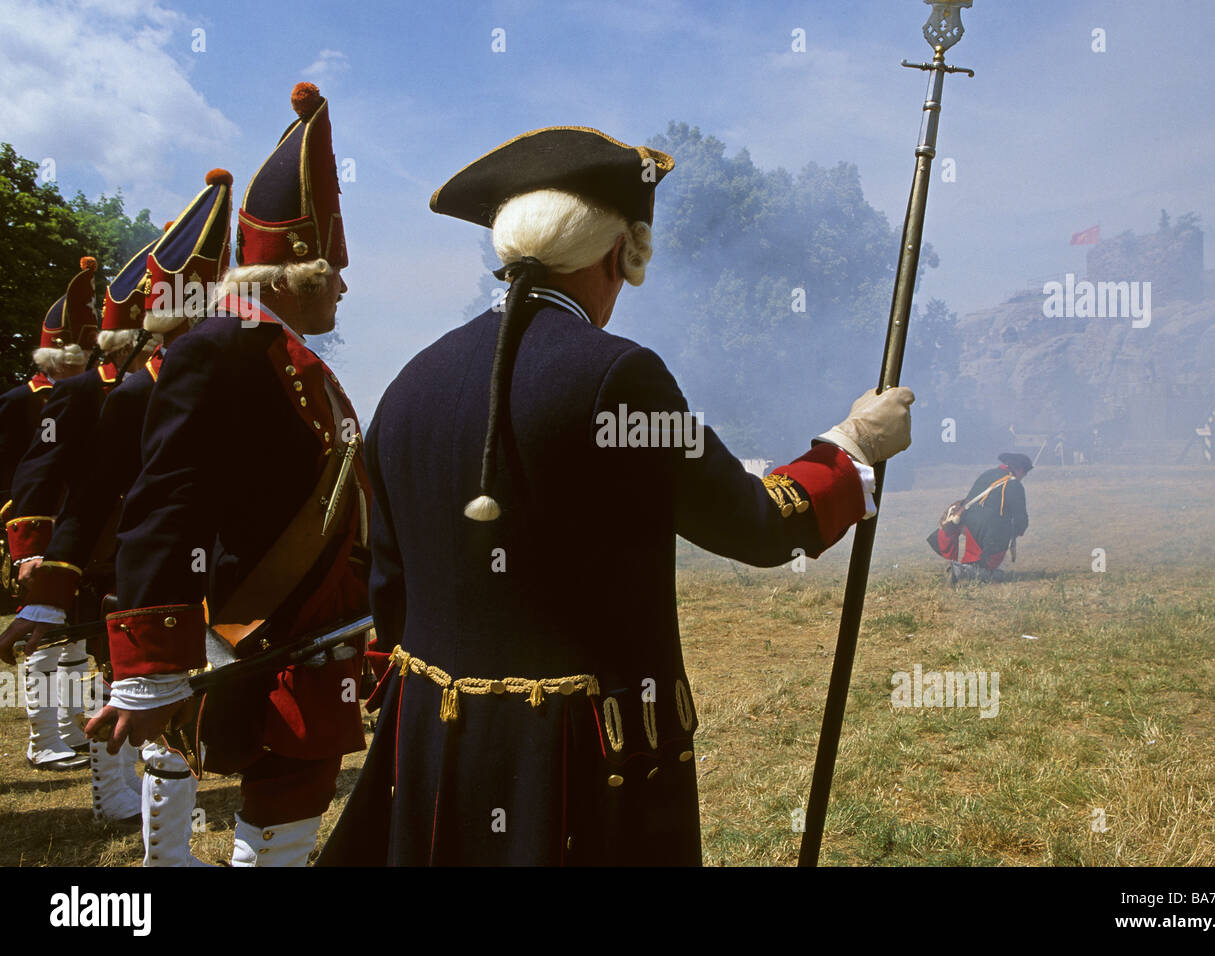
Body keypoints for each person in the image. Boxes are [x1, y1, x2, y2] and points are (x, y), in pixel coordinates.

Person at [320, 126, 915, 866]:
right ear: (618, 254)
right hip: (578, 766)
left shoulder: (409, 382)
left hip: (433, 747)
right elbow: (758, 526)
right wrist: (853, 444)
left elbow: (390, 588)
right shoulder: (619, 377)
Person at [83, 83, 369, 868]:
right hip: (251, 620)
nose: (343, 284)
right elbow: (163, 499)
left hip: (310, 626)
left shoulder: (295, 362)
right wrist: (146, 666)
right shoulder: (219, 350)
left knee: (294, 792)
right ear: (292, 274)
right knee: (281, 787)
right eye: (331, 269)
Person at [1, 170, 235, 856]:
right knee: (108, 674)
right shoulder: (99, 397)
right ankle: (121, 802)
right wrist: (41, 572)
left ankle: (118, 797)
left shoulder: (200, 387)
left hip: (174, 558)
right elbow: (54, 480)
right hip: (108, 556)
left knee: (129, 681)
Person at [1, 258, 105, 772]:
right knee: (44, 635)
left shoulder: (82, 397)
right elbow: (18, 479)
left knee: (75, 635)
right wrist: (27, 542)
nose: (87, 360)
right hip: (33, 535)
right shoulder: (19, 403)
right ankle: (42, 739)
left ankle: (68, 727)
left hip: (72, 533)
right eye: (79, 352)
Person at [928, 451, 1031, 584]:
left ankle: (958, 567)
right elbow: (1020, 517)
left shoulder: (987, 474)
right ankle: (960, 571)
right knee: (993, 574)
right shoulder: (1014, 485)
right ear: (1019, 469)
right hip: (991, 531)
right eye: (1025, 472)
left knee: (980, 562)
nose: (1024, 476)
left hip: (968, 524)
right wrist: (1017, 531)